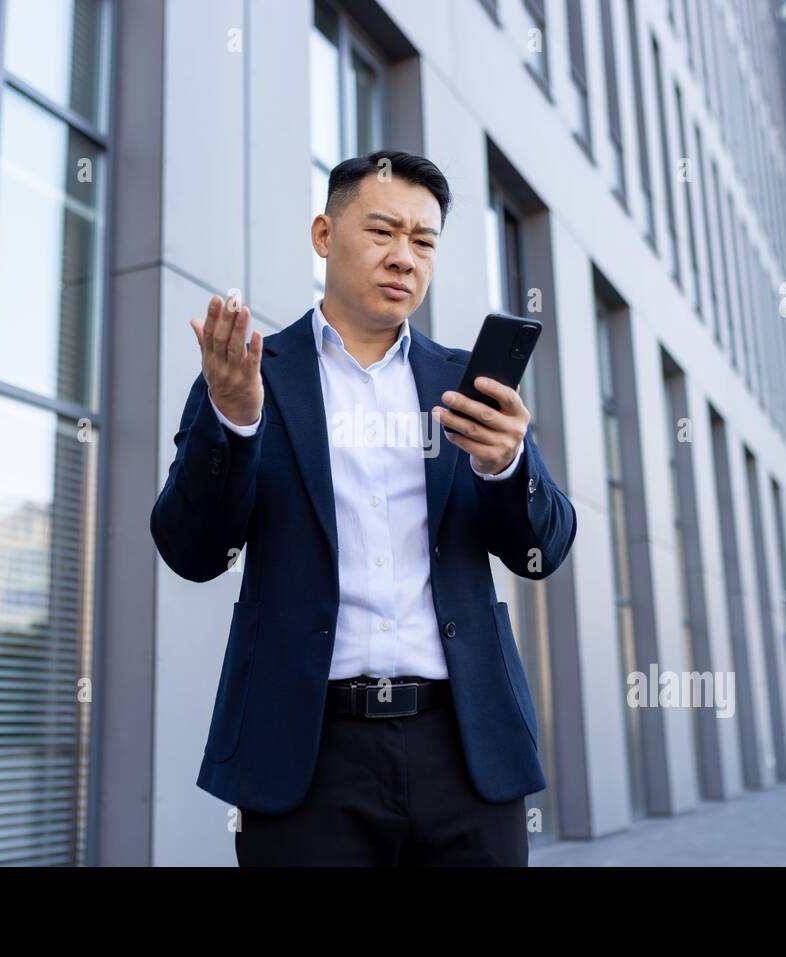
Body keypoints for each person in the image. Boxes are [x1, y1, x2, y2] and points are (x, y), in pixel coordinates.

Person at [150, 149, 577, 865]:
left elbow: (545, 549)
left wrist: (507, 464)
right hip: (307, 754)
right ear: (324, 235)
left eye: (424, 240)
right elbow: (191, 551)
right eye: (382, 232)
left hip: (465, 746)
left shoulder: (467, 384)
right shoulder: (250, 376)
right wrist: (235, 424)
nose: (404, 257)